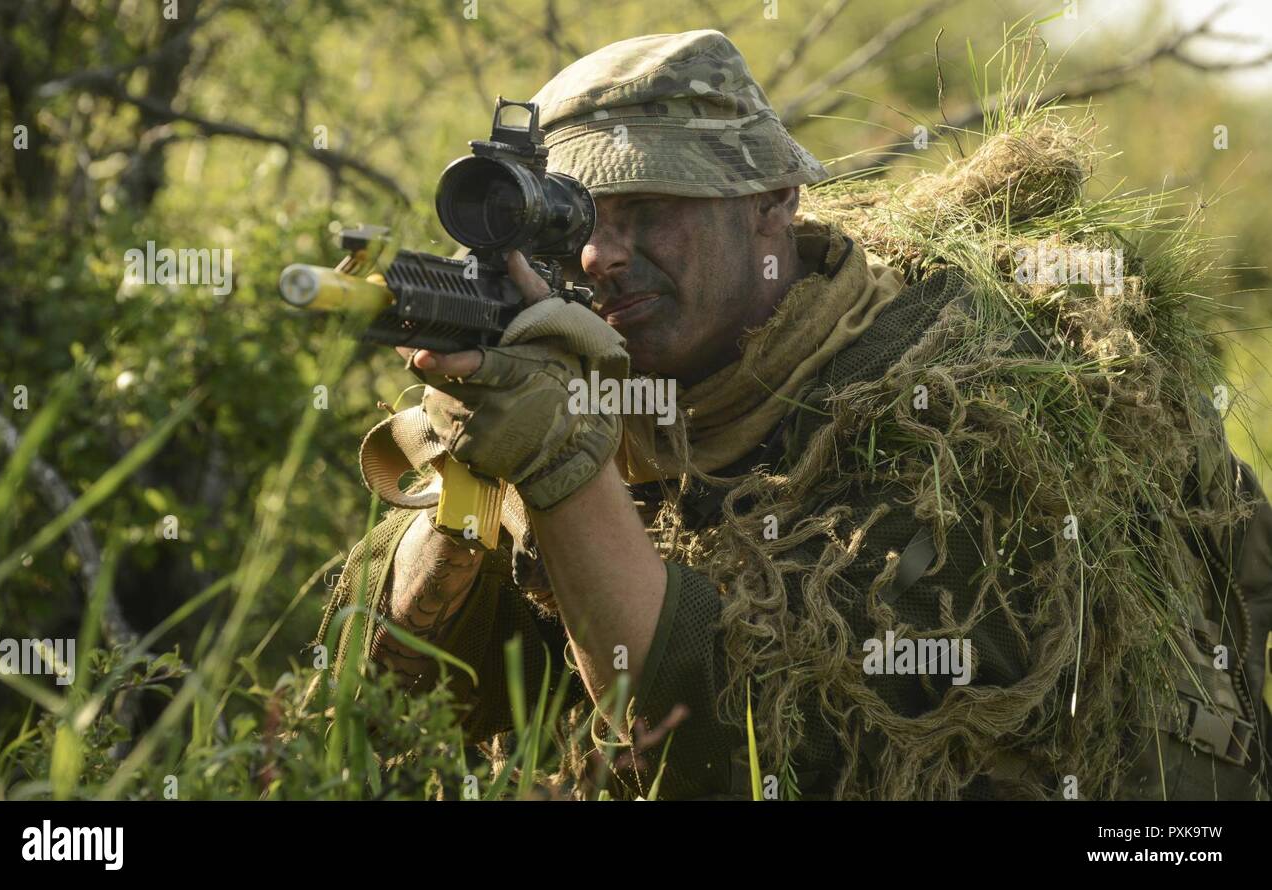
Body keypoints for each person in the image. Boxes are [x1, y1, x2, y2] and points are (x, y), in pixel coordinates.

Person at [316, 29, 1271, 800]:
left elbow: (764, 754)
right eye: (577, 223)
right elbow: (402, 706)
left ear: (773, 205)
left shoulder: (949, 409)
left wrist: (567, 466)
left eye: (649, 208)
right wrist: (468, 464)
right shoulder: (583, 379)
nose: (603, 256)